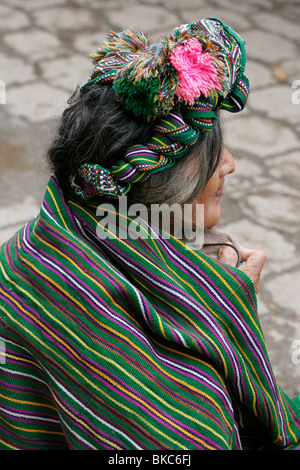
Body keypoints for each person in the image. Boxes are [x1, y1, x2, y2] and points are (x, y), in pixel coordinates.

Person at [0, 18, 299, 451]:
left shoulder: (28, 254)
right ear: (162, 181)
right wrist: (221, 307)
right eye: (211, 153)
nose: (230, 164)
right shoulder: (110, 337)